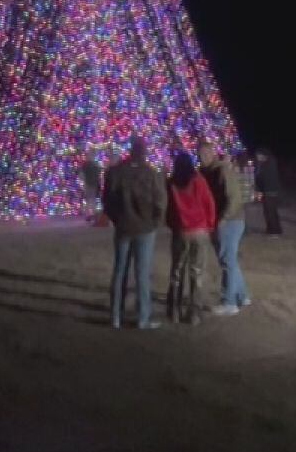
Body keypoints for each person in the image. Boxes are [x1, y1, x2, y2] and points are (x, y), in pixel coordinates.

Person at [102, 135, 167, 329]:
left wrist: (117, 219)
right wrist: (156, 221)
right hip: (145, 228)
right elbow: (160, 201)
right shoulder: (151, 173)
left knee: (120, 270)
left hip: (124, 227)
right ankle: (143, 318)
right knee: (142, 273)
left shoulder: (115, 173)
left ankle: (115, 315)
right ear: (144, 152)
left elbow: (108, 201)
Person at [165, 151, 217, 324]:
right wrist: (209, 225)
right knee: (197, 272)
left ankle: (174, 311)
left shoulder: (172, 183)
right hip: (200, 230)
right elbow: (209, 203)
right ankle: (194, 312)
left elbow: (169, 208)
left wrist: (173, 225)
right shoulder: (199, 181)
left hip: (181, 231)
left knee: (177, 271)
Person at [200, 143, 250, 315]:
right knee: (230, 259)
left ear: (213, 153)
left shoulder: (222, 171)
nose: (203, 157)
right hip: (223, 221)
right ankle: (242, 295)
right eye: (200, 154)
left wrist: (223, 218)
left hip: (230, 221)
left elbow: (234, 197)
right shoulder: (205, 172)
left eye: (206, 153)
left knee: (227, 260)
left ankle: (229, 302)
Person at [252, 145, 285, 236]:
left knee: (271, 212)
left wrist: (258, 175)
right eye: (257, 155)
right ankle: (271, 229)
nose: (257, 157)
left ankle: (275, 231)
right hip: (265, 191)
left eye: (259, 155)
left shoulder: (270, 163)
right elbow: (259, 178)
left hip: (271, 192)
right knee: (267, 211)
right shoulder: (262, 164)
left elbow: (264, 177)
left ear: (264, 155)